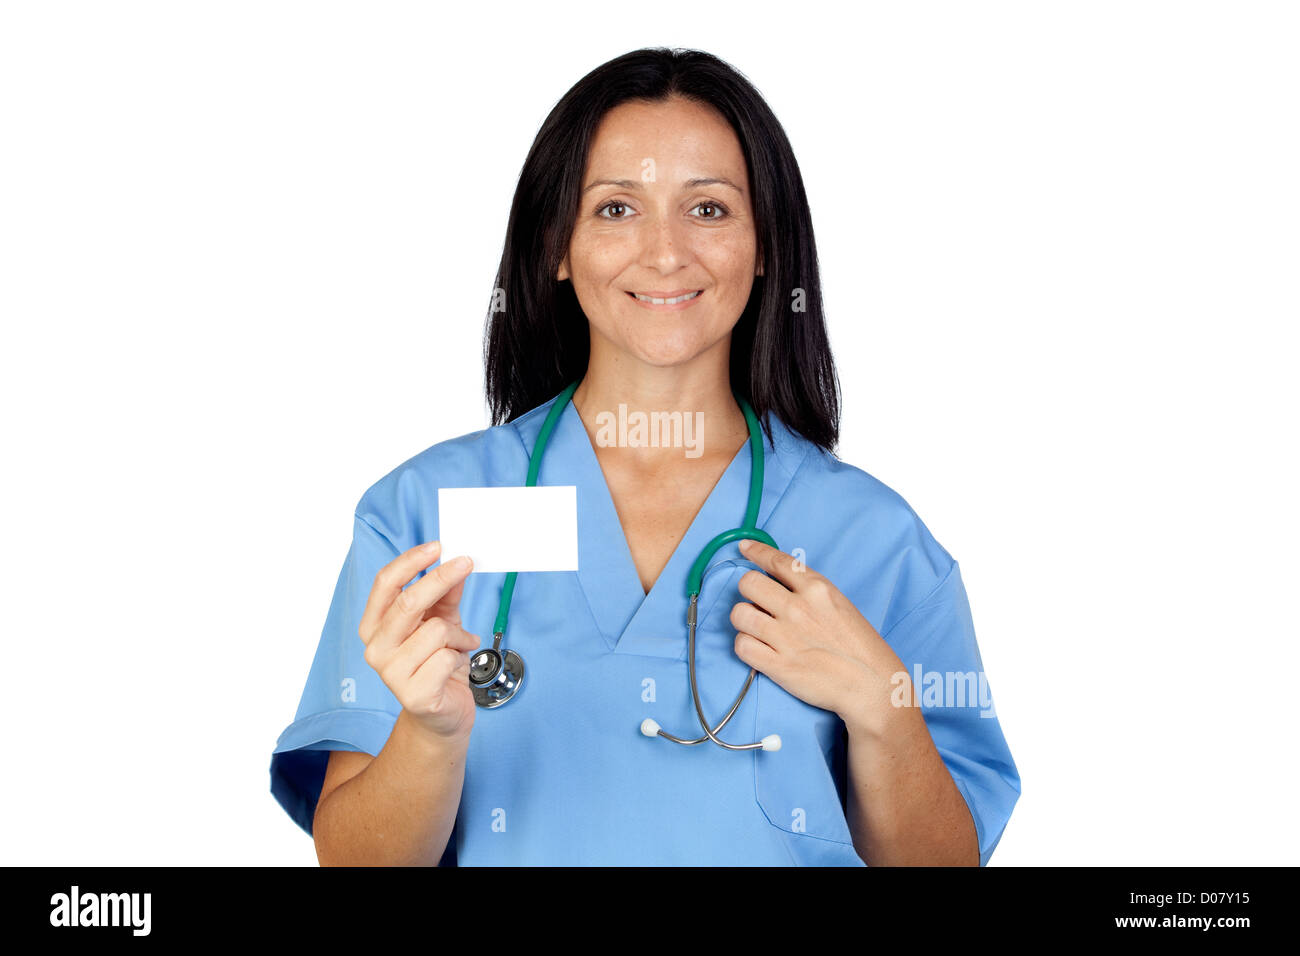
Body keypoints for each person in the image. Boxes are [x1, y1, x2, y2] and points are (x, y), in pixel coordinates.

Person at [269, 47, 1020, 866]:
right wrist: (431, 732)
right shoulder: (427, 512)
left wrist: (884, 710)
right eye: (617, 209)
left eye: (708, 210)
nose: (665, 253)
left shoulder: (873, 539)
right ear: (556, 247)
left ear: (766, 245)